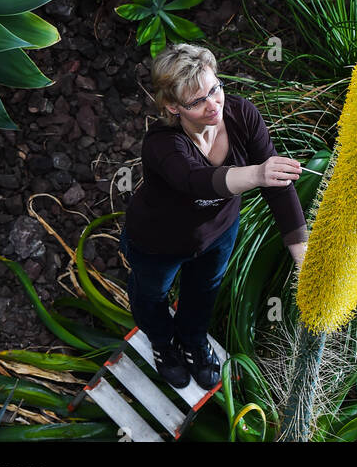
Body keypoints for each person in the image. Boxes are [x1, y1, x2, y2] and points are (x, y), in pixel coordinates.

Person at [120, 43, 307, 391]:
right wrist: (255, 174)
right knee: (152, 296)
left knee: (204, 291)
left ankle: (192, 341)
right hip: (158, 242)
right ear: (172, 107)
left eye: (215, 89)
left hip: (217, 234)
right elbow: (197, 182)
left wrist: (302, 254)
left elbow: (278, 186)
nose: (213, 105)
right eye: (196, 102)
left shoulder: (241, 114)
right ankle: (162, 345)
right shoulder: (162, 145)